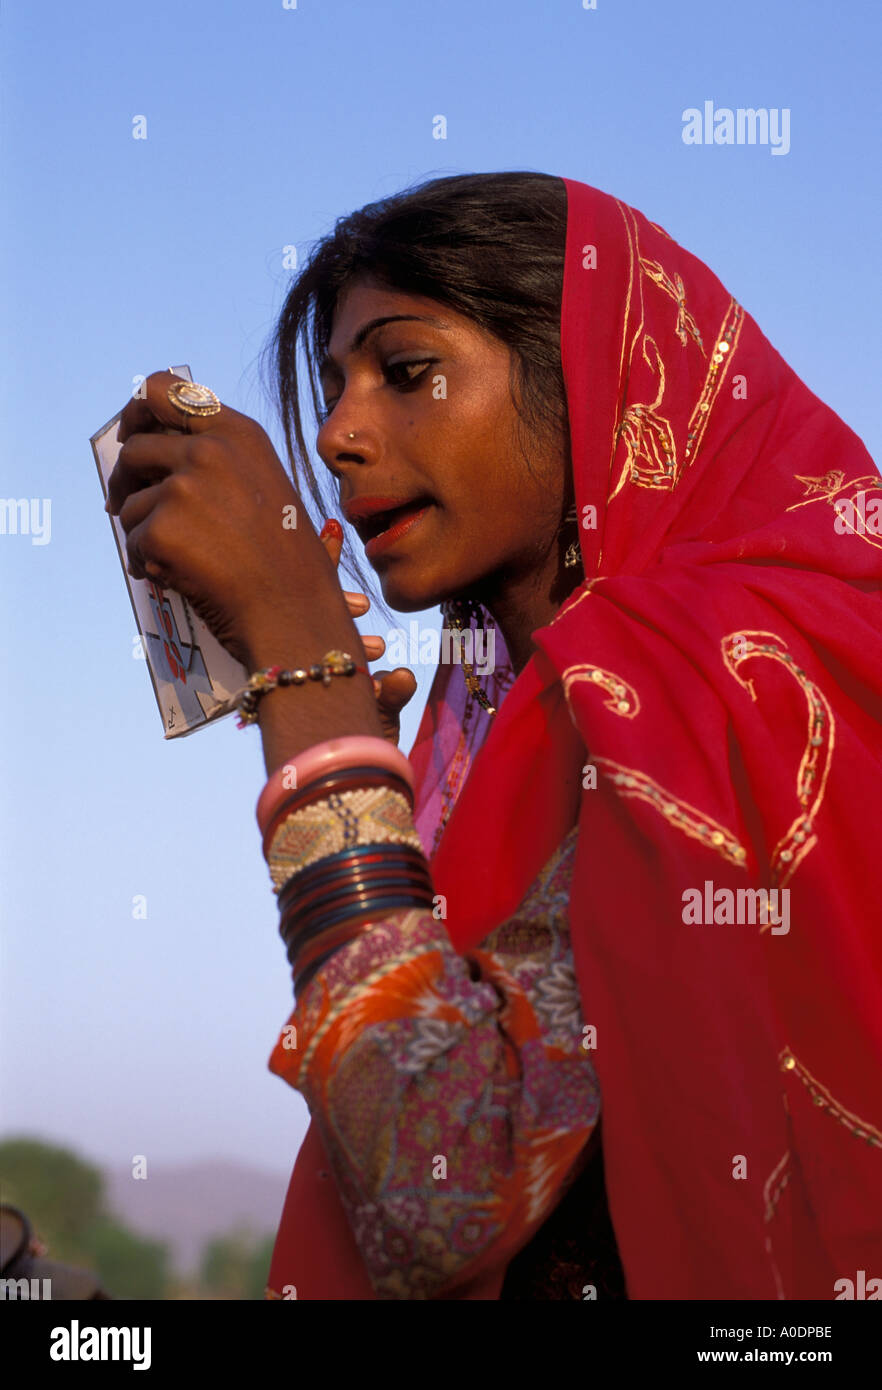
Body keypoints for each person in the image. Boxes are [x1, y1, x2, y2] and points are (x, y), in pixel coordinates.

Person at [106, 172, 882, 1301]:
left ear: (592, 380)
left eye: (407, 371)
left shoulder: (736, 676)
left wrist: (303, 674)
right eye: (330, 388)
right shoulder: (490, 734)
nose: (335, 435)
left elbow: (440, 1196)